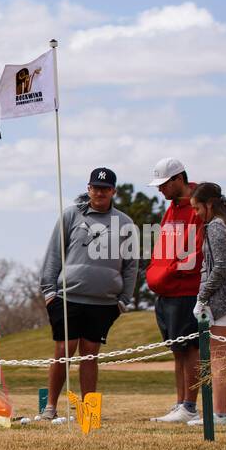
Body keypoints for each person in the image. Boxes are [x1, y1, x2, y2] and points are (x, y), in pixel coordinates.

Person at [27, 167, 139, 424]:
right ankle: (50, 408)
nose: (99, 192)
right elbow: (54, 254)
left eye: (105, 189)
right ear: (88, 189)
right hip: (67, 297)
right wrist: (49, 292)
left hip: (104, 301)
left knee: (90, 354)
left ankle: (89, 412)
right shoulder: (70, 215)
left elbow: (132, 264)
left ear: (113, 191)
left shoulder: (124, 223)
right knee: (64, 351)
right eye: (95, 188)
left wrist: (124, 299)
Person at [187, 182, 226, 427]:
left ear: (209, 204)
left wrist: (202, 296)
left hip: (221, 299)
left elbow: (220, 267)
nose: (196, 213)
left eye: (197, 208)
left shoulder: (216, 226)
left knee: (219, 357)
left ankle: (220, 415)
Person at [144, 157, 202, 422]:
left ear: (179, 179)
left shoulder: (198, 207)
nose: (160, 190)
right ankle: (181, 403)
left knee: (189, 348)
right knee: (177, 350)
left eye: (163, 184)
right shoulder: (172, 207)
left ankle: (189, 405)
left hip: (185, 291)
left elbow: (196, 253)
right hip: (167, 291)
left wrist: (168, 273)